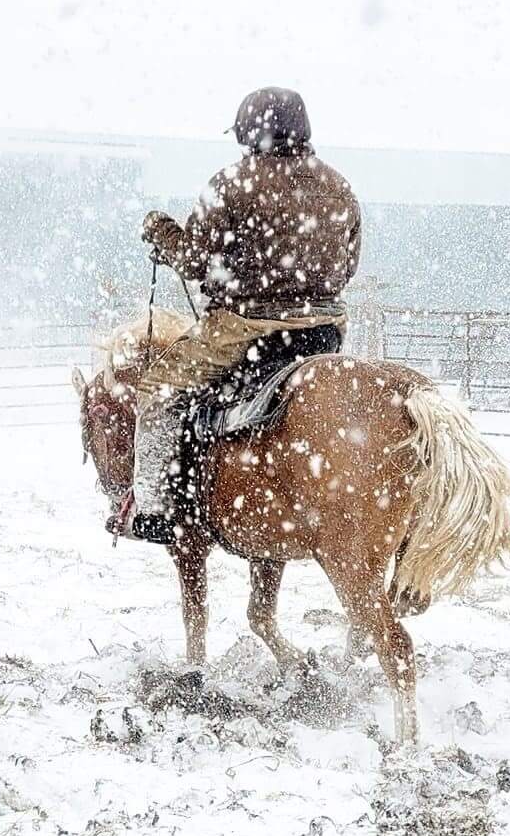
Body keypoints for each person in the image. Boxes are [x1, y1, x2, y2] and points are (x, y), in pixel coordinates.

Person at [125, 87, 363, 541]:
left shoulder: (233, 183)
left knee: (157, 390)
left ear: (249, 131)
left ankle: (154, 509)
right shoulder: (339, 187)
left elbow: (196, 262)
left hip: (246, 329)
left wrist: (163, 233)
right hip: (325, 330)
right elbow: (348, 267)